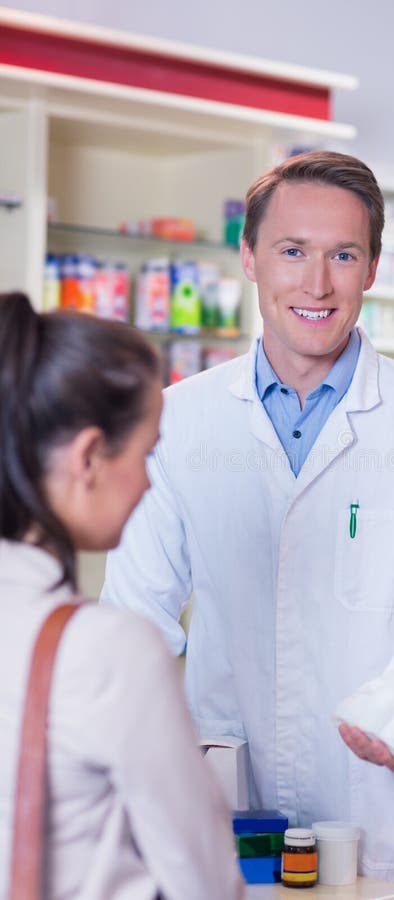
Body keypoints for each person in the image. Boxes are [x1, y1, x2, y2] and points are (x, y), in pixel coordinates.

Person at [102, 151, 394, 898]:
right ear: (250, 258)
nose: (317, 284)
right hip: (227, 791)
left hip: (378, 798)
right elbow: (135, 619)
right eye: (292, 250)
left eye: (343, 255)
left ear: (373, 268)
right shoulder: (178, 420)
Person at [0, 293, 244, 900]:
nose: (149, 482)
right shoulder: (104, 647)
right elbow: (206, 881)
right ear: (89, 456)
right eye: (147, 452)